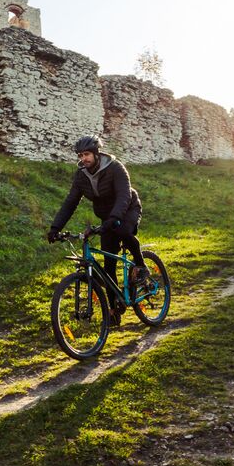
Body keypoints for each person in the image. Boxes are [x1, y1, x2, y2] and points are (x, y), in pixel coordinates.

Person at [47, 135, 148, 325]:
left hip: (127, 209)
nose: (83, 158)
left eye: (86, 154)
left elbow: (124, 195)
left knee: (124, 232)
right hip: (106, 217)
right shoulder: (81, 176)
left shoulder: (115, 168)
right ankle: (113, 310)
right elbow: (70, 202)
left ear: (96, 153)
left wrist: (115, 218)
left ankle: (141, 266)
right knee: (108, 264)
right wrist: (55, 228)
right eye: (80, 155)